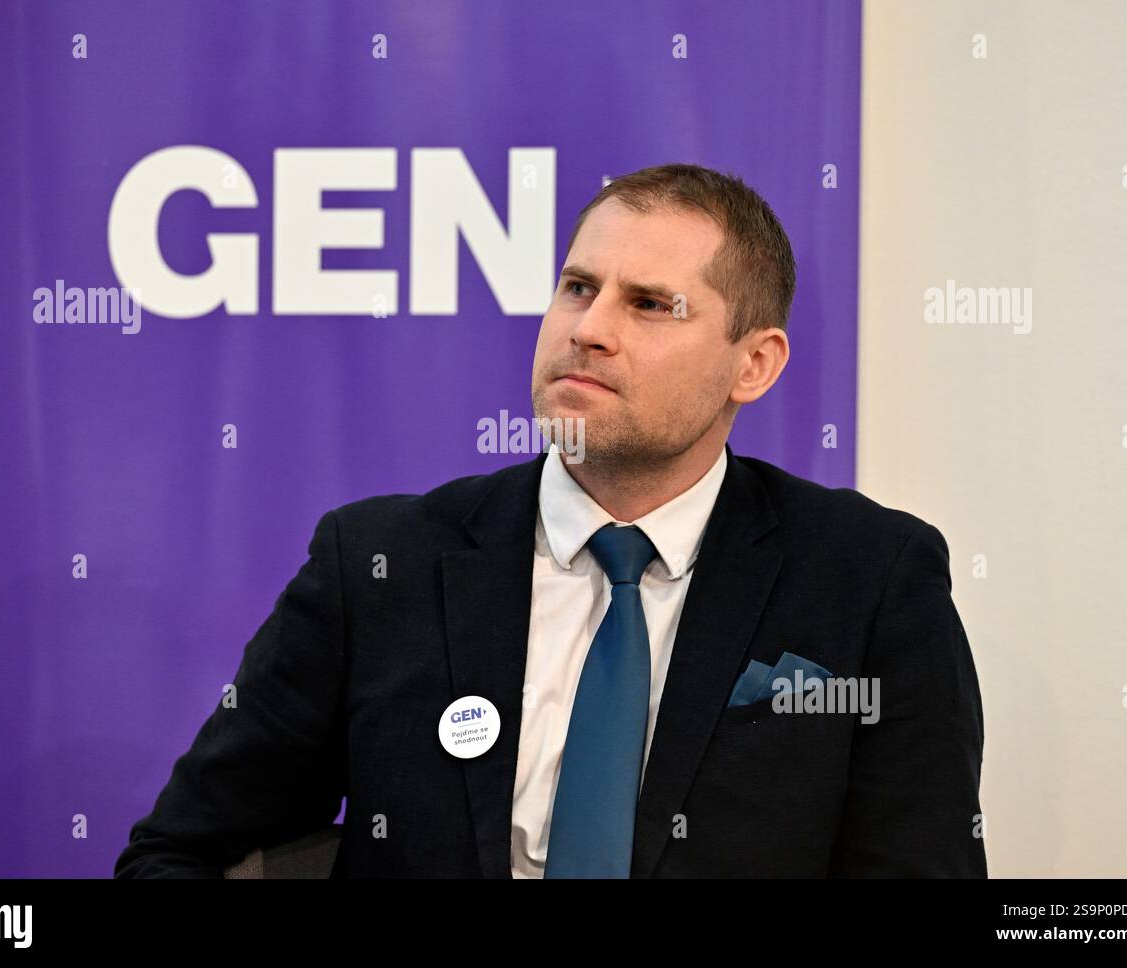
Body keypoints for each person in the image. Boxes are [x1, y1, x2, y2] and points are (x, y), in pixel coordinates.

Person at [115, 163, 986, 878]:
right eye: (577, 287)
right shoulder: (380, 565)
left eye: (649, 304)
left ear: (752, 364)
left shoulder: (869, 579)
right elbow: (176, 858)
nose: (589, 329)